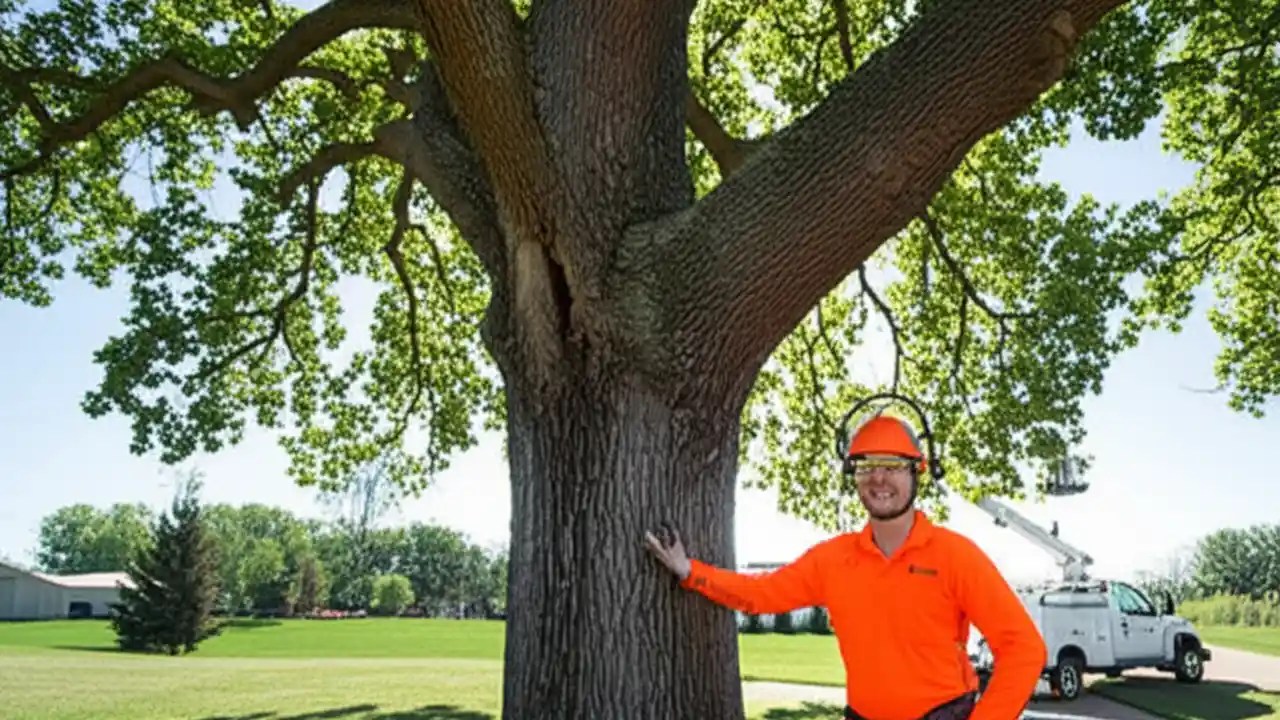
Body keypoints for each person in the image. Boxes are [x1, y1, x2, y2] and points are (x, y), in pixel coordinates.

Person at [644, 414, 1047, 720]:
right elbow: (760, 593)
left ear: (918, 471)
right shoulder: (833, 560)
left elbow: (1023, 649)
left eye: (892, 464)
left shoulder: (955, 555)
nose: (879, 478)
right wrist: (689, 570)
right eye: (866, 466)